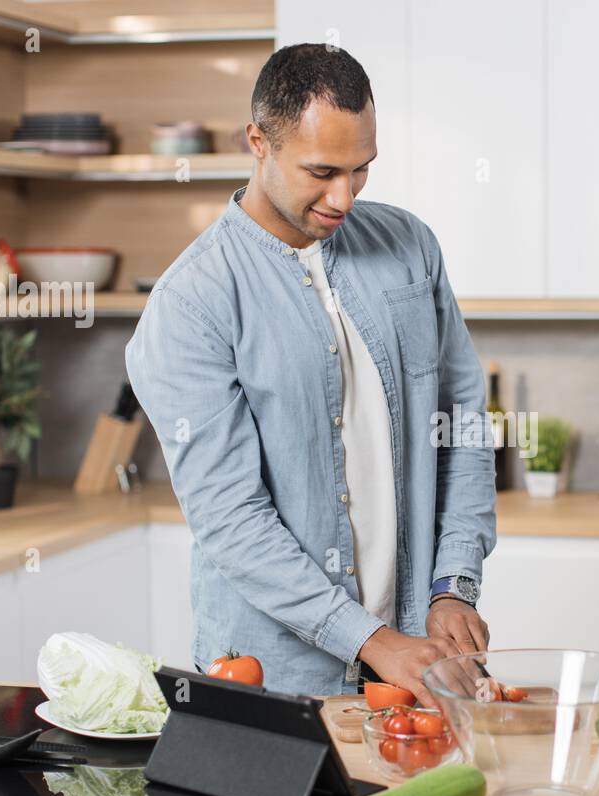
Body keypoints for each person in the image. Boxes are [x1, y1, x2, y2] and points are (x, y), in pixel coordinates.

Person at [126, 44, 496, 706]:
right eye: (322, 171)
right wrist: (372, 640)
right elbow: (231, 517)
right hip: (272, 673)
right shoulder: (193, 301)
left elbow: (462, 422)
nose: (344, 197)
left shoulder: (411, 247)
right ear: (258, 142)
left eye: (362, 170)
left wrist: (451, 587)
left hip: (418, 655)